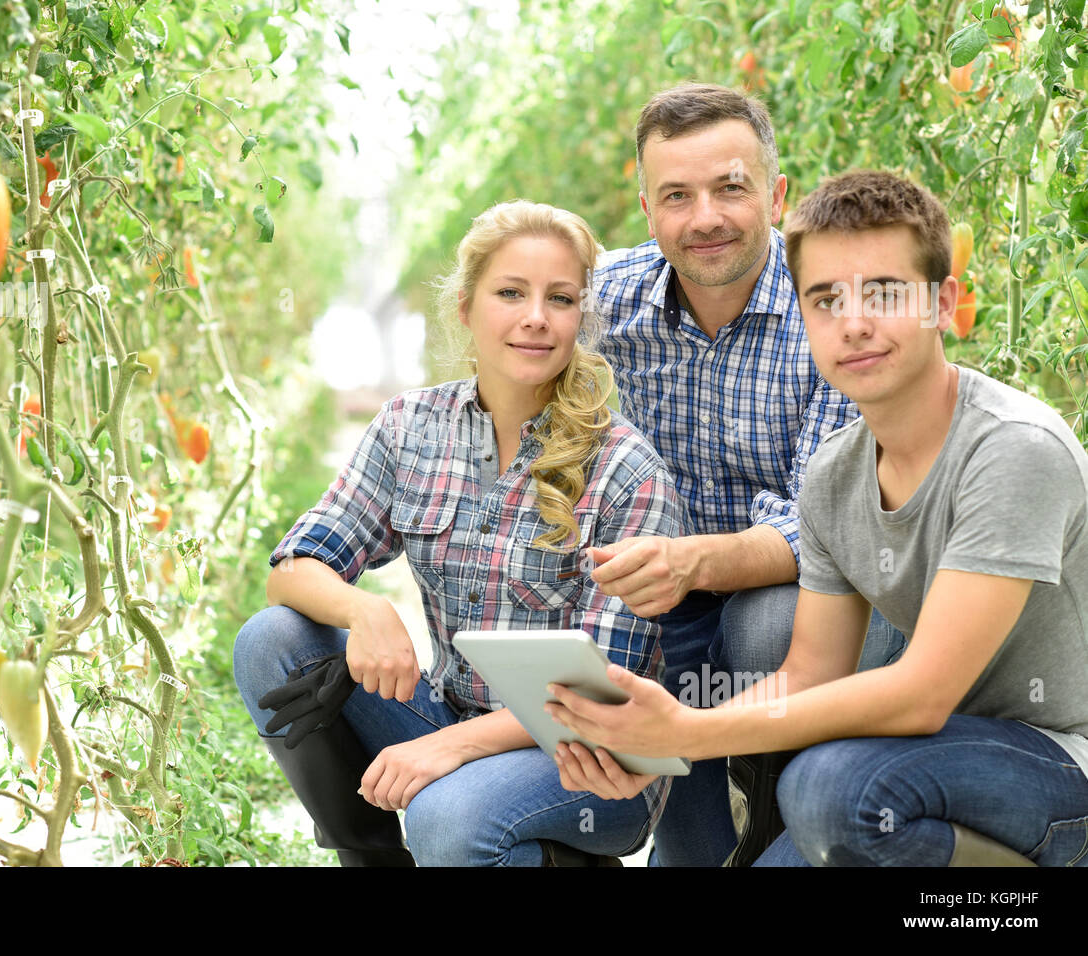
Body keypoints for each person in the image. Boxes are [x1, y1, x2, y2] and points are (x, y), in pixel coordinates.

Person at [547, 169, 1088, 866]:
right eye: (826, 299)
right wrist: (658, 746)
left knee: (828, 789)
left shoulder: (1012, 448)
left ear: (944, 304)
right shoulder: (835, 474)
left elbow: (922, 695)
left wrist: (687, 730)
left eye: (885, 293)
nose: (854, 322)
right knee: (819, 810)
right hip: (922, 764)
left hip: (1060, 764)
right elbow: (808, 673)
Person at [232, 200, 688, 866]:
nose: (535, 317)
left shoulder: (624, 468)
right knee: (271, 641)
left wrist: (449, 751)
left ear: (579, 320)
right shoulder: (412, 427)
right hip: (455, 714)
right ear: (467, 310)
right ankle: (374, 859)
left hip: (592, 759)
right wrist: (366, 610)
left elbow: (604, 693)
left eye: (559, 299)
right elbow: (291, 570)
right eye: (510, 293)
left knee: (449, 814)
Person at [590, 83, 908, 866]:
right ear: (645, 205)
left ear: (776, 194)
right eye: (676, 196)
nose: (705, 218)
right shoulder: (603, 305)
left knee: (763, 627)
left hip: (804, 591)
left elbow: (827, 524)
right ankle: (691, 836)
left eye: (731, 187)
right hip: (663, 593)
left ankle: (786, 806)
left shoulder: (833, 315)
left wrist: (697, 561)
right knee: (645, 640)